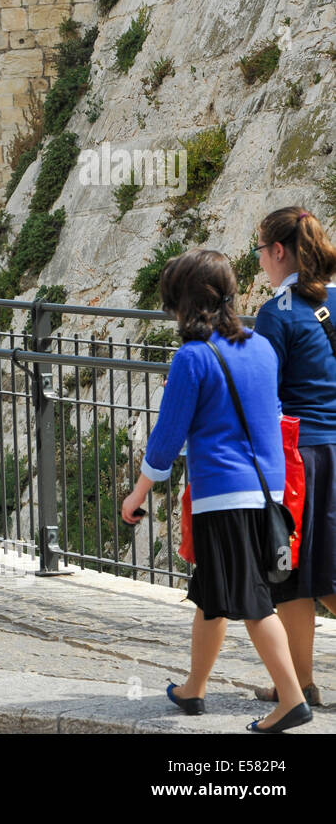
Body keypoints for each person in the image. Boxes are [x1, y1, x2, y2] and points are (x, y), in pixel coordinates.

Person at [121, 249, 311, 733]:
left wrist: (137, 494)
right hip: (266, 492)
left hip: (223, 495)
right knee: (211, 592)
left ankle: (291, 699)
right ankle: (194, 688)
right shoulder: (262, 348)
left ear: (183, 302)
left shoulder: (192, 357)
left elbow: (167, 437)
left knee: (251, 601)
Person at [250, 206, 336, 706]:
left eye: (261, 251)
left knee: (294, 571)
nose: (261, 261)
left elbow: (264, 395)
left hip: (301, 458)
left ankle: (300, 686)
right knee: (328, 566)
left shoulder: (276, 312)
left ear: (278, 251)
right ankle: (299, 684)